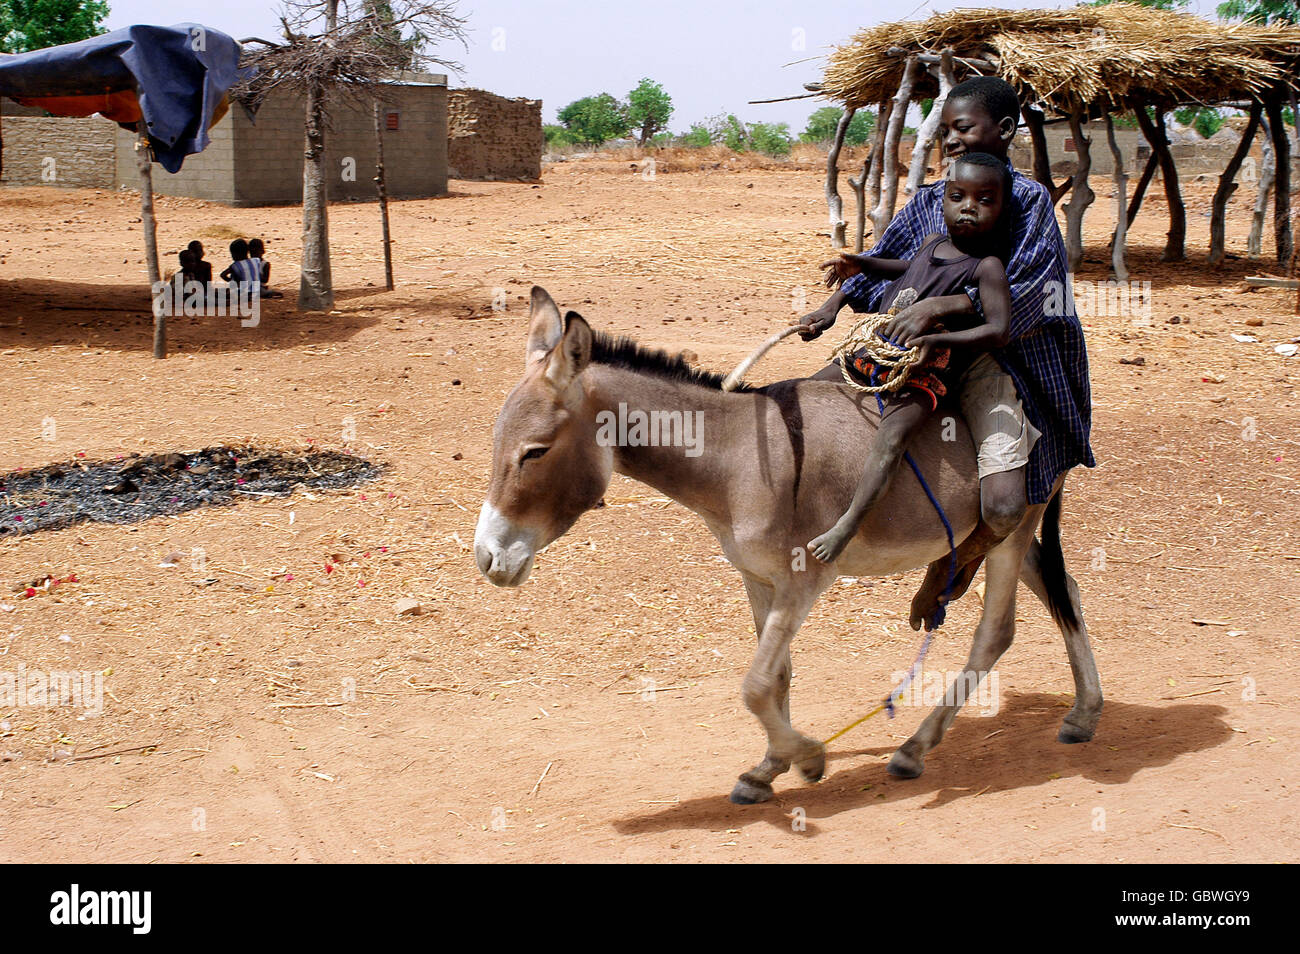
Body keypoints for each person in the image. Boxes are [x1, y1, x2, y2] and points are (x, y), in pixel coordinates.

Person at [798, 76, 1095, 629]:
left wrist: (943, 308)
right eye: (945, 132)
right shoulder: (934, 198)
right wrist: (834, 302)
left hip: (1001, 357)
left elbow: (1032, 290)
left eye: (962, 128)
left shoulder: (1028, 202)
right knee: (806, 400)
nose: (951, 141)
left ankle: (956, 562)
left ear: (1003, 131)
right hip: (906, 346)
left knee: (1006, 503)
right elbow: (888, 259)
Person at [808, 152, 1013, 565]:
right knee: (807, 392)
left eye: (984, 199)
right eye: (957, 196)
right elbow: (901, 268)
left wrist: (941, 343)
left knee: (892, 438)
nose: (968, 207)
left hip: (921, 373)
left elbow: (999, 330)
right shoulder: (931, 242)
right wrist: (860, 262)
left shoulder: (987, 267)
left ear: (1002, 208)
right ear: (943, 201)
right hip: (873, 352)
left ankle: (848, 523)